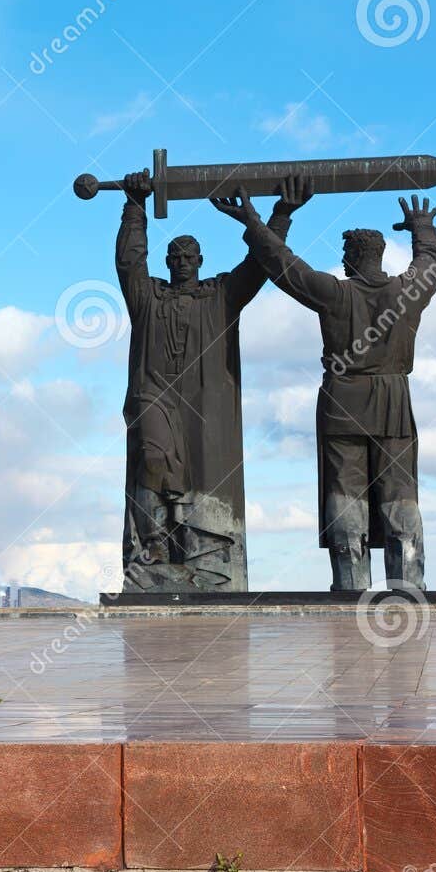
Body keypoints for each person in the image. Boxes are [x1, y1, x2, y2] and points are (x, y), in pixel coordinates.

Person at [210, 187, 436, 591]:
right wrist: (422, 228)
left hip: (344, 403)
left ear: (352, 258)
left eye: (345, 254)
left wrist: (253, 222)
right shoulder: (407, 292)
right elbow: (431, 262)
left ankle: (352, 588)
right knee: (400, 493)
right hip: (392, 402)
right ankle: (408, 588)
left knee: (346, 493)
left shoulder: (336, 293)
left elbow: (284, 266)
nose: (342, 260)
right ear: (381, 255)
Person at [114, 172, 310, 591]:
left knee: (204, 479)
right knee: (152, 459)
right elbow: (130, 262)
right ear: (167, 262)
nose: (182, 261)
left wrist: (280, 215)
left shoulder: (221, 294)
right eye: (176, 256)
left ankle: (200, 559)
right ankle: (153, 550)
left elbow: (260, 265)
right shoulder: (147, 297)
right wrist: (135, 208)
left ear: (200, 261)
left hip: (206, 404)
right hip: (154, 395)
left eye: (189, 256)